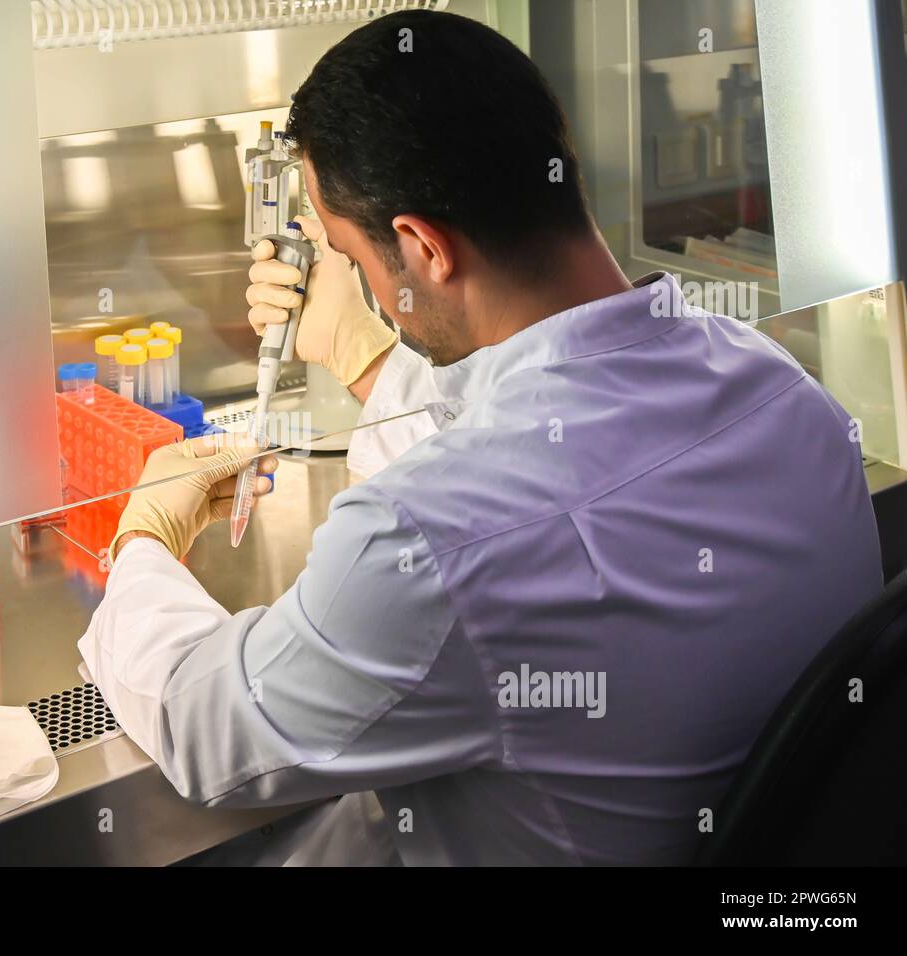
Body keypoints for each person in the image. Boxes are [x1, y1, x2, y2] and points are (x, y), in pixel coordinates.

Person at [78, 10, 882, 864]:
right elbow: (537, 445)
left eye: (352, 257)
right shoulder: (789, 396)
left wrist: (145, 536)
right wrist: (361, 350)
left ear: (421, 245)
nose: (360, 285)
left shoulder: (421, 543)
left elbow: (210, 733)